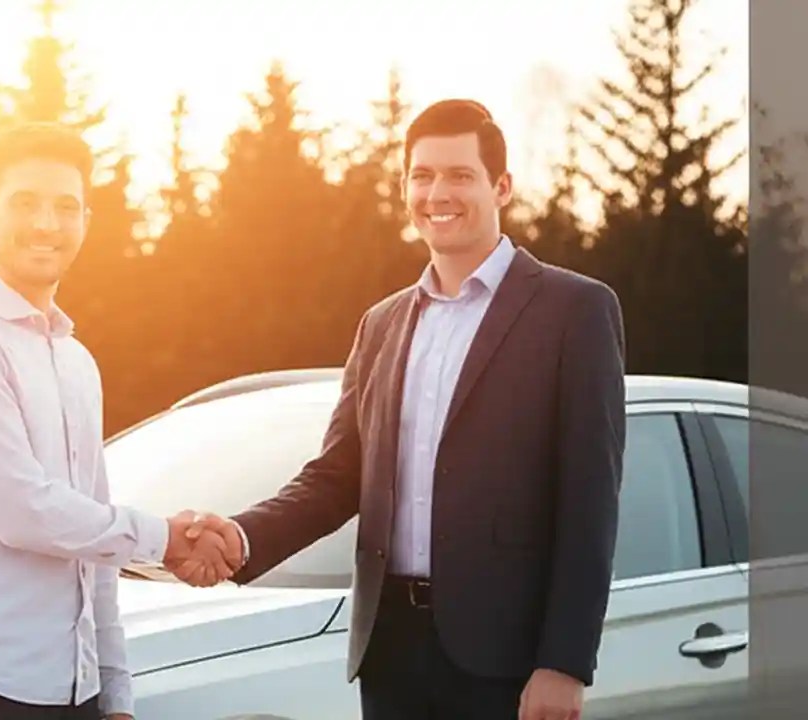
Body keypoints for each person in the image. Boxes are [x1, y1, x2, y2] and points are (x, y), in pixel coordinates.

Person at [176, 99, 627, 720]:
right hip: (390, 654)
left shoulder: (574, 312)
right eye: (422, 175)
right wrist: (242, 536)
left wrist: (566, 662)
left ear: (502, 187)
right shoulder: (382, 324)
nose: (438, 193)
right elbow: (335, 479)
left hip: (509, 661)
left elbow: (589, 502)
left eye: (460, 175)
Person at [0, 122, 237, 720]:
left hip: (73, 694)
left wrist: (114, 691)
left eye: (66, 207)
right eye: (25, 203)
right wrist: (166, 538)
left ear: (85, 221)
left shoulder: (76, 361)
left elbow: (89, 538)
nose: (47, 224)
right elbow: (22, 509)